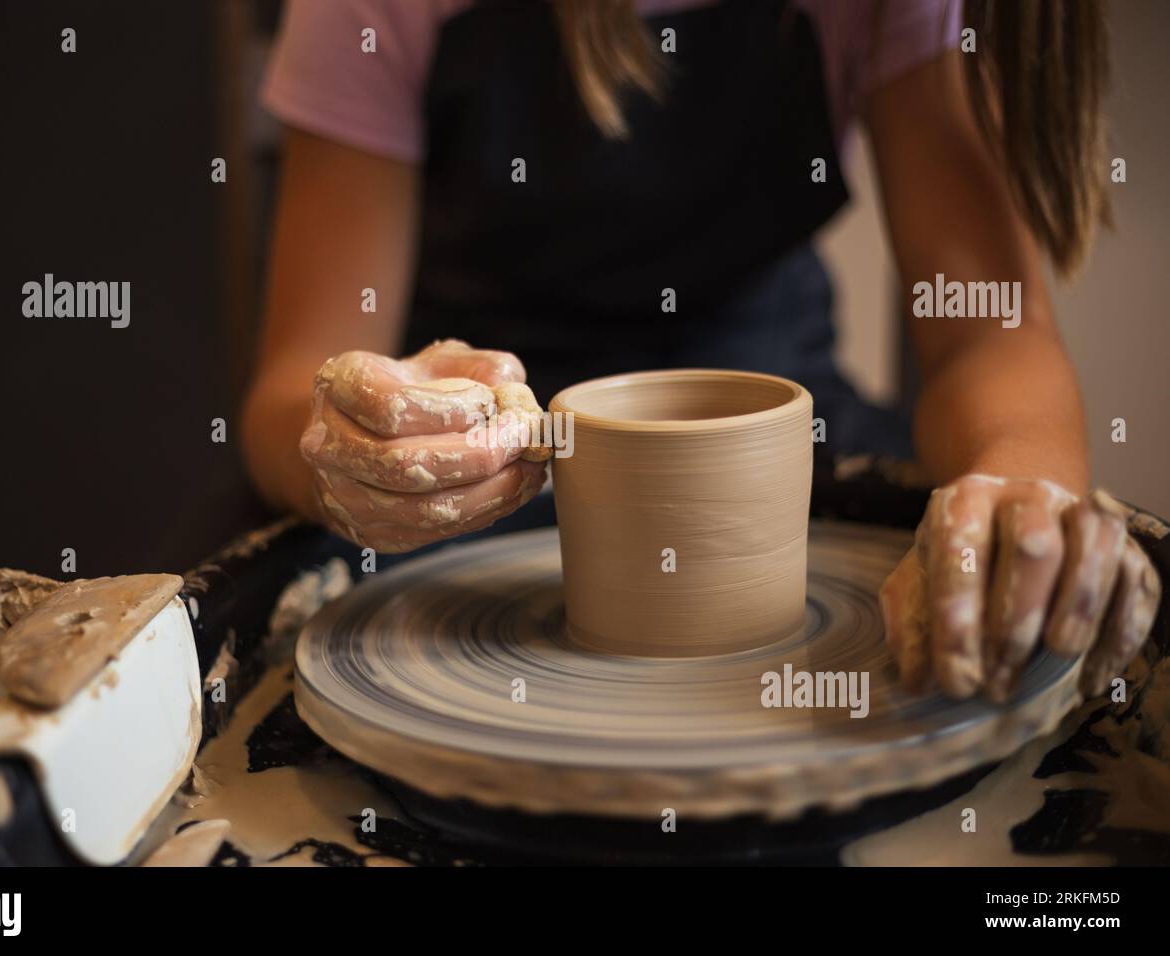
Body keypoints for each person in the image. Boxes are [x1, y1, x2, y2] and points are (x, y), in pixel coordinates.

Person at [241, 0, 1159, 703]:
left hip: (780, 429)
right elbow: (291, 388)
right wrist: (353, 443)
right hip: (476, 451)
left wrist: (1021, 485)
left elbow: (985, 336)